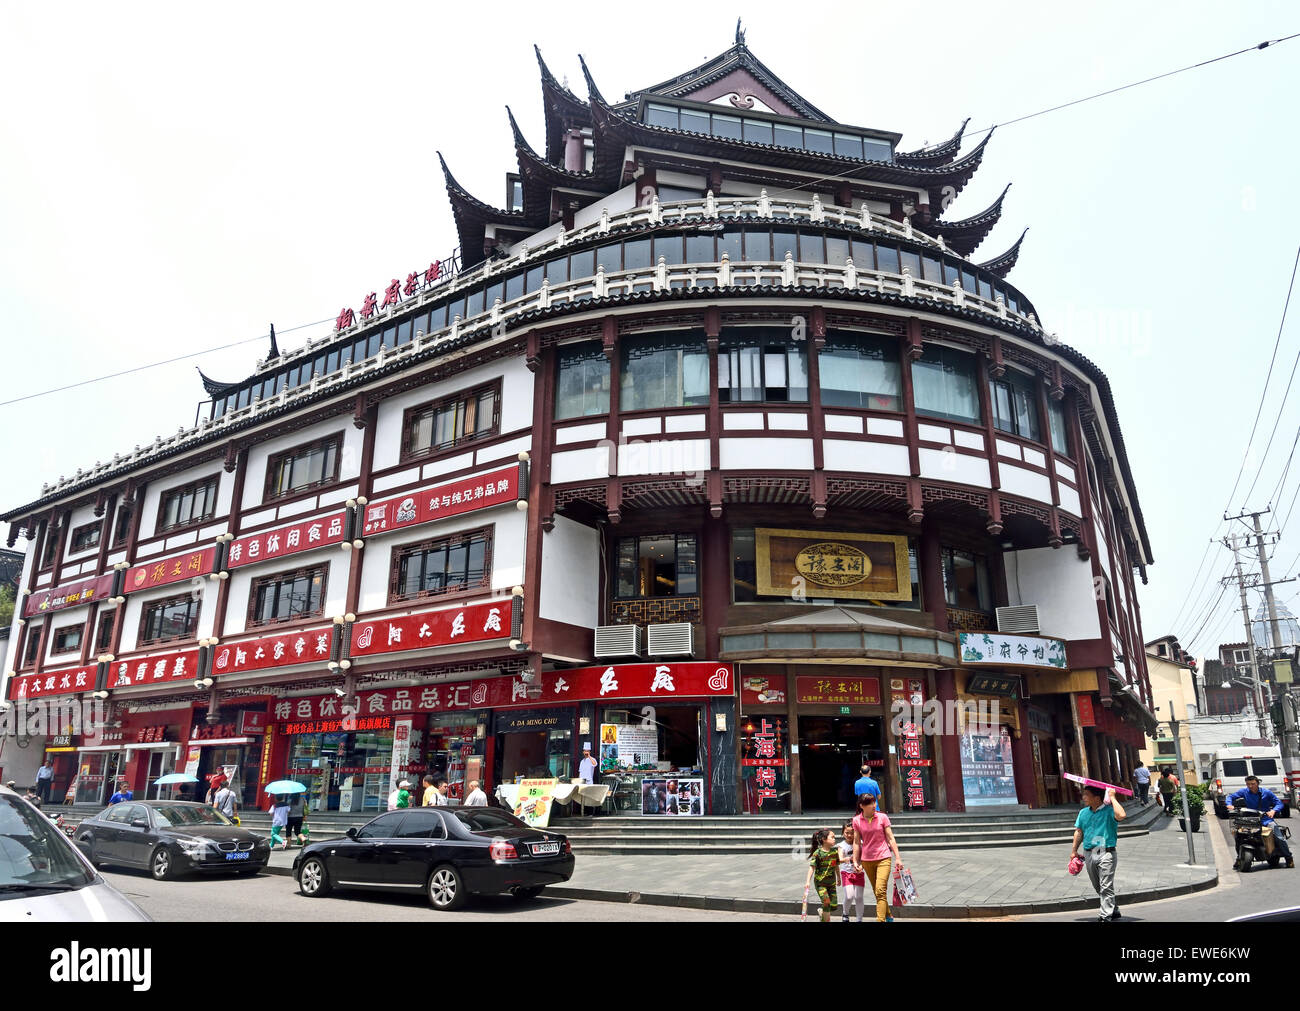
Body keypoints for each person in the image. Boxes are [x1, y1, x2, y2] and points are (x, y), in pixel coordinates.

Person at [1070, 783, 1127, 921]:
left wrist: (1112, 797)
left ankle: (1105, 915)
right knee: (1097, 885)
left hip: (1106, 852)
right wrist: (1074, 851)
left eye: (1086, 795)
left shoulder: (1109, 811)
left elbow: (1122, 815)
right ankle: (1114, 909)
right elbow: (1079, 831)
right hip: (1090, 851)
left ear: (1097, 798)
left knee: (1105, 884)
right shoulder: (1083, 813)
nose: (1083, 797)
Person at [852, 792, 902, 922]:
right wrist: (855, 860)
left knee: (880, 890)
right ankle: (889, 915)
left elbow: (890, 838)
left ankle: (880, 920)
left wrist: (898, 858)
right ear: (862, 806)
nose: (874, 805)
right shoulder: (856, 820)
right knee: (877, 891)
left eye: (874, 802)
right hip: (867, 860)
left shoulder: (882, 817)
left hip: (884, 857)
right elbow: (856, 842)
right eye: (870, 803)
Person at [1226, 775, 1294, 868]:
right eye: (1248, 784)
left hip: (1265, 820)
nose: (1250, 786)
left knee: (1278, 835)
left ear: (1257, 783)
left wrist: (1273, 811)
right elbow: (1230, 797)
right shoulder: (1244, 792)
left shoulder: (1266, 792)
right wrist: (1229, 805)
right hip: (1250, 821)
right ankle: (1239, 858)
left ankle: (1288, 858)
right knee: (1238, 835)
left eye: (1252, 784)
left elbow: (1279, 803)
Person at [803, 828, 840, 923]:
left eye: (834, 837)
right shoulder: (818, 853)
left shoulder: (834, 852)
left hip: (831, 883)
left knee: (833, 905)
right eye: (832, 837)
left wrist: (839, 877)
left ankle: (822, 912)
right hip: (820, 884)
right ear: (824, 839)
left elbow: (836, 866)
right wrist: (808, 881)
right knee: (826, 902)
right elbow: (812, 867)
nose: (834, 839)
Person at [838, 820, 867, 922]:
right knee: (849, 896)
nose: (849, 835)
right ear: (842, 833)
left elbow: (865, 857)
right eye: (847, 832)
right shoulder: (841, 845)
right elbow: (840, 858)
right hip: (846, 873)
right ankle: (845, 913)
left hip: (859, 873)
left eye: (852, 832)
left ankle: (859, 919)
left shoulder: (861, 843)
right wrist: (846, 859)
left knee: (859, 897)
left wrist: (861, 866)